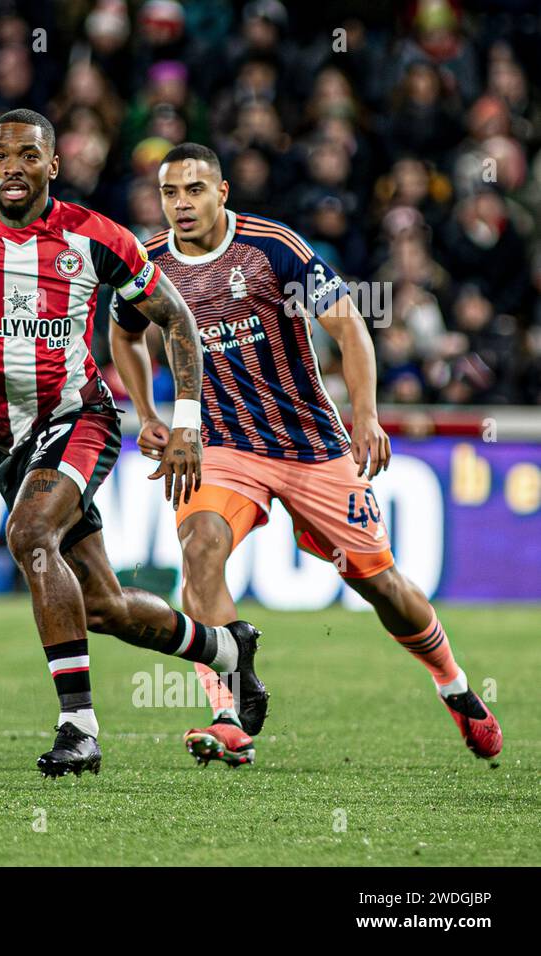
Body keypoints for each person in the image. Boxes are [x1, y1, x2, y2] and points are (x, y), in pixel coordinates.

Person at [0, 109, 267, 778]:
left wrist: (187, 420)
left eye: (28, 156)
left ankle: (78, 727)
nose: (12, 168)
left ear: (53, 165)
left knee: (28, 536)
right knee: (102, 606)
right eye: (1, 156)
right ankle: (227, 649)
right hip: (4, 438)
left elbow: (177, 318)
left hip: (80, 417)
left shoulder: (94, 236)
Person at [111, 142, 502, 766]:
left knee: (381, 585)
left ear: (222, 192)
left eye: (194, 190)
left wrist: (366, 415)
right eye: (169, 193)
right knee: (200, 551)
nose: (181, 205)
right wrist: (150, 414)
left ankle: (452, 683)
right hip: (223, 446)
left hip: (310, 446)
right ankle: (229, 711)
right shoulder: (150, 263)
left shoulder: (272, 249)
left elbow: (348, 324)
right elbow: (124, 331)